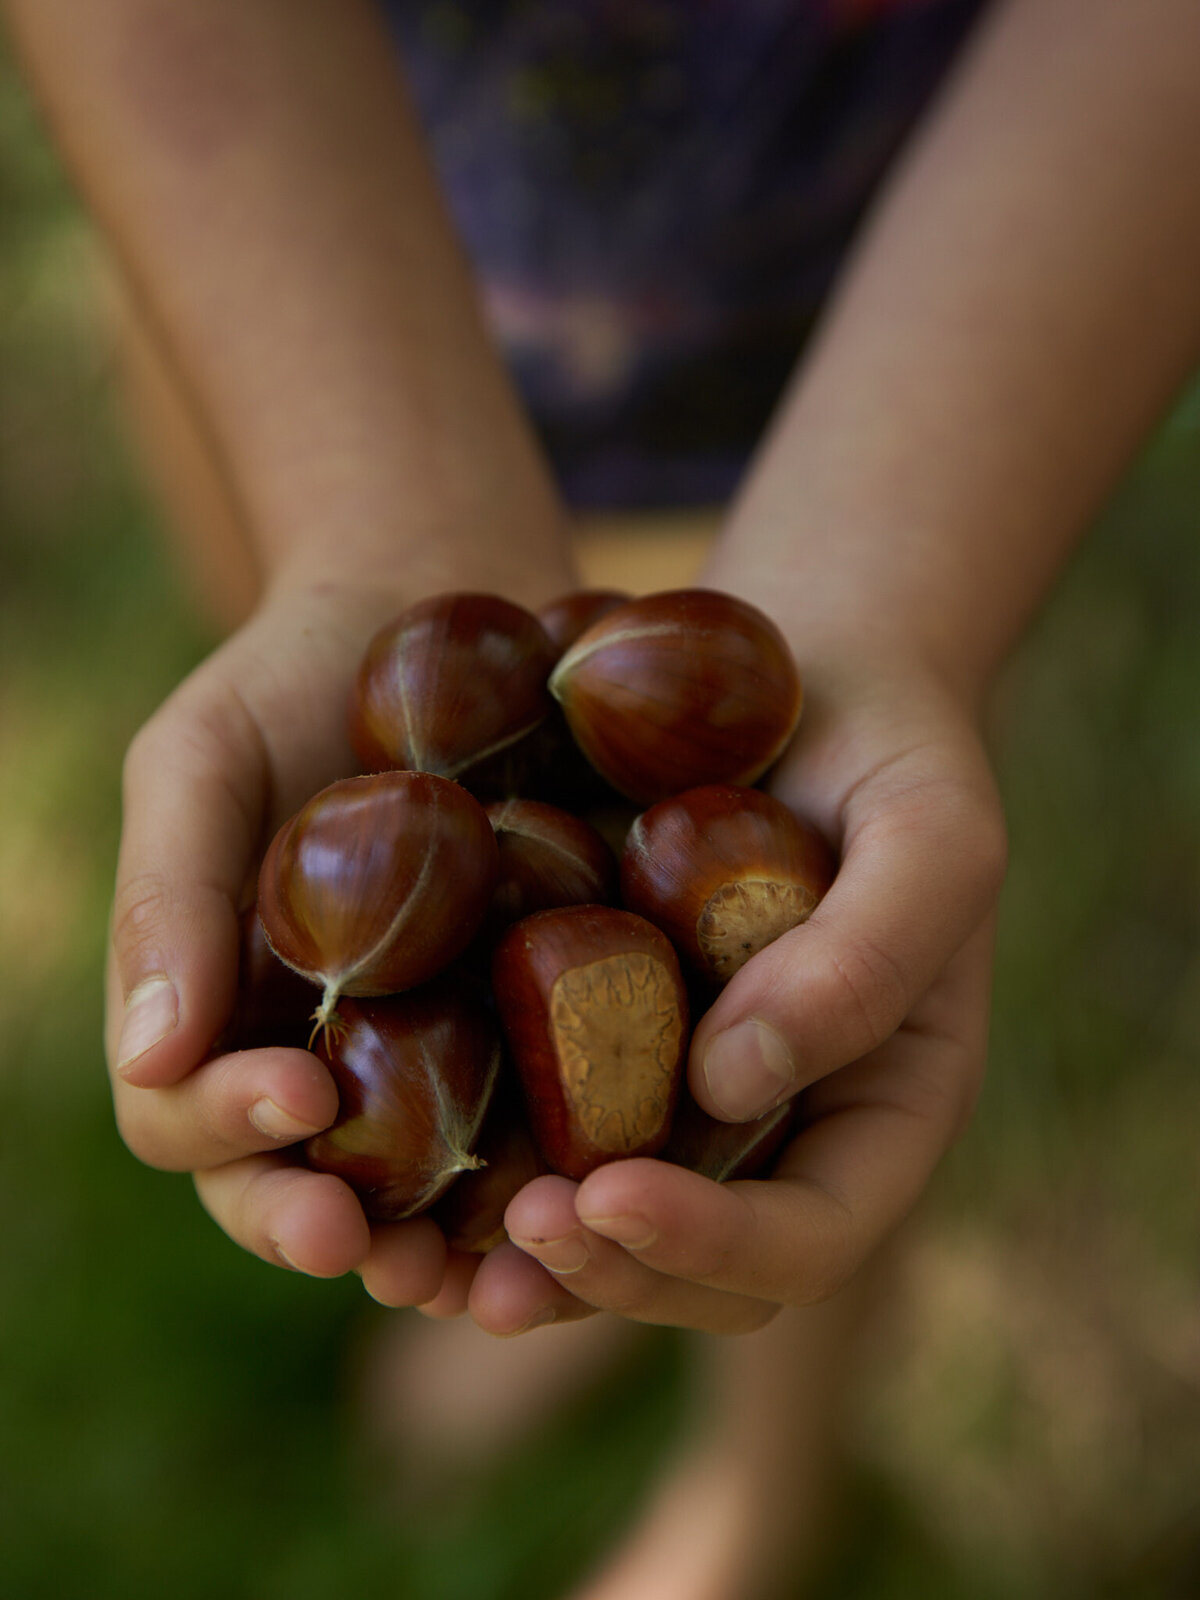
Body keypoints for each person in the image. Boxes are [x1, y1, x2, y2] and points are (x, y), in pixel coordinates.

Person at [5, 1, 1200, 1593]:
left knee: (822, 1015)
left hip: (916, 329)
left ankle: (761, 1473)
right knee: (686, 1097)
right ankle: (555, 1223)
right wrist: (371, 505)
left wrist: (899, 596)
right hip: (302, 301)